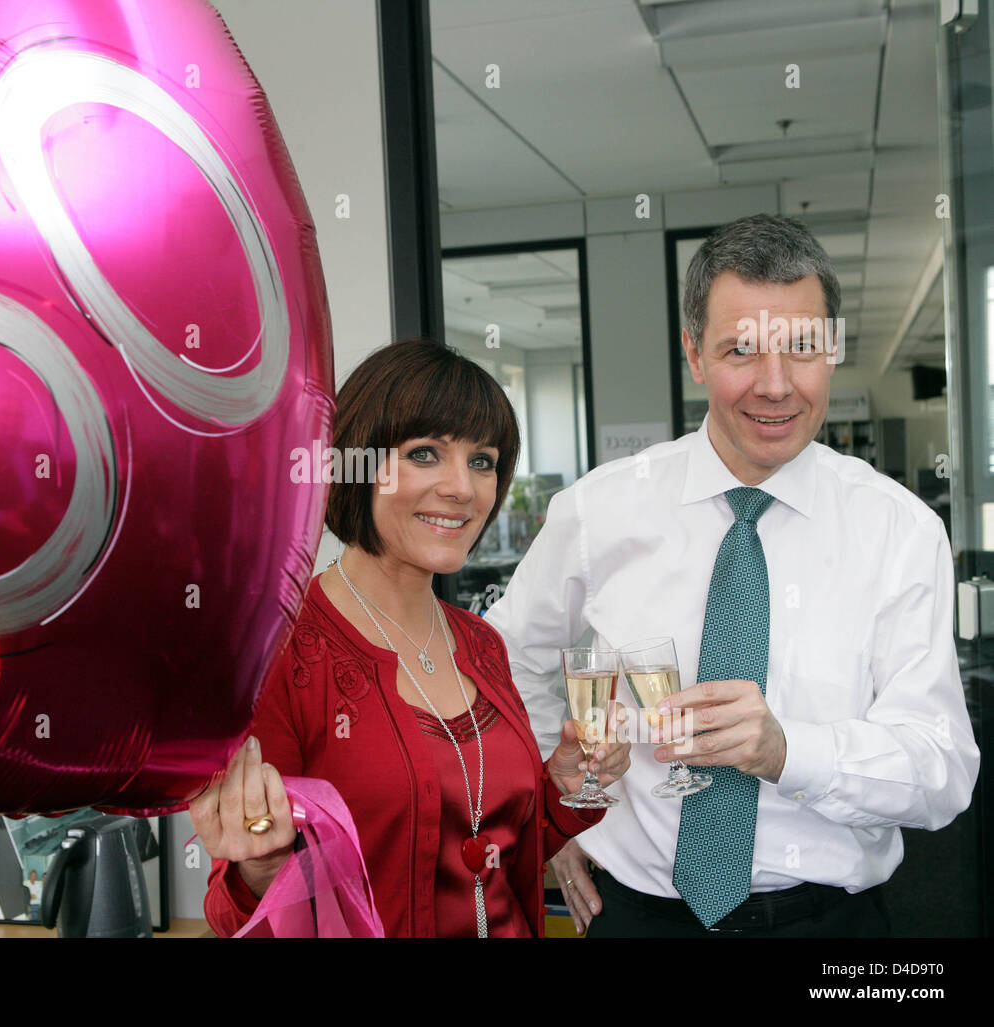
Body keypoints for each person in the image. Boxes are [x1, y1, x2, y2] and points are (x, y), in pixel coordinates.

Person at [485, 213, 980, 937]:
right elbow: (500, 665)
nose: (775, 386)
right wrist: (552, 812)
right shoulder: (597, 511)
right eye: (741, 350)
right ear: (693, 353)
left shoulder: (899, 531)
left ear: (832, 349)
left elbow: (942, 772)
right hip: (636, 918)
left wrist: (789, 750)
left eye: (802, 349)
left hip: (830, 926)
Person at [190, 339, 631, 937]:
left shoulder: (481, 644)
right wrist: (262, 867)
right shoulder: (278, 654)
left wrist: (561, 789)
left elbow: (493, 849)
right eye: (425, 454)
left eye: (483, 461)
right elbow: (231, 909)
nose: (462, 488)